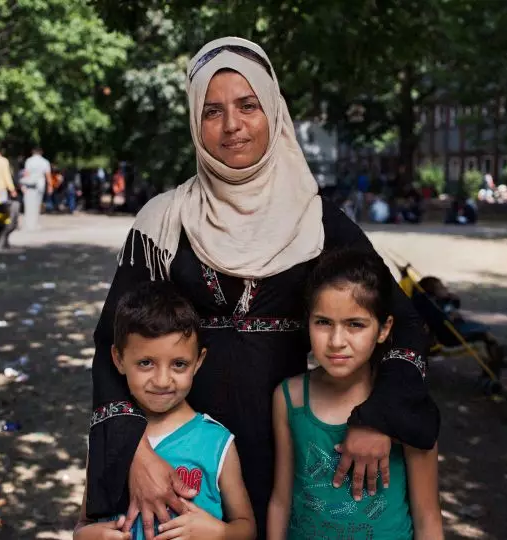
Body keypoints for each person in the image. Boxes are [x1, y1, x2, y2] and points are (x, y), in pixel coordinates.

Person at [78, 37, 438, 540]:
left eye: (248, 106)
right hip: (177, 458)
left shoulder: (316, 222)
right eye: (213, 110)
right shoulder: (161, 223)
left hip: (285, 455)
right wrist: (132, 452)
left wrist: (378, 417)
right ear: (194, 121)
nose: (232, 125)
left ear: (273, 110)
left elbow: (407, 323)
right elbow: (110, 344)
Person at [268, 249, 443, 539]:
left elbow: (427, 516)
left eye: (355, 324)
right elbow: (281, 500)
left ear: (384, 329)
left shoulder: (407, 405)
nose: (337, 342)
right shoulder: (290, 398)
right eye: (323, 322)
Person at [77, 281, 256, 539]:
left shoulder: (217, 443)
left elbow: (246, 528)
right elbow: (82, 525)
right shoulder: (107, 439)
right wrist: (92, 535)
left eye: (179, 364)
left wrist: (220, 533)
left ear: (198, 361)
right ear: (118, 359)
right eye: (146, 363)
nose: (162, 380)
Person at [415, 276, 507, 376]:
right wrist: (449, 318)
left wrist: (454, 299)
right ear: (434, 293)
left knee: (486, 335)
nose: (445, 288)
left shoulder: (441, 302)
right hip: (452, 338)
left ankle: (498, 356)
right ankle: (496, 360)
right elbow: (437, 322)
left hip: (458, 331)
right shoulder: (433, 309)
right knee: (483, 340)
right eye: (441, 288)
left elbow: (453, 305)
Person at [22, 147, 52, 230]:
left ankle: (28, 223)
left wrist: (23, 186)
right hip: (40, 184)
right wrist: (50, 186)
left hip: (29, 184)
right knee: (38, 203)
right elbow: (48, 175)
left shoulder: (29, 161)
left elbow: (26, 173)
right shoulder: (44, 161)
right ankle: (35, 223)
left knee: (29, 204)